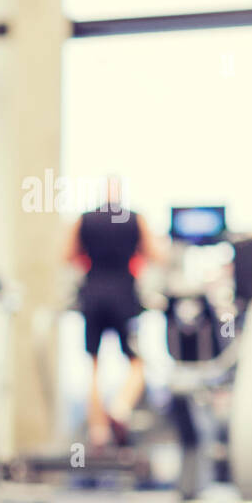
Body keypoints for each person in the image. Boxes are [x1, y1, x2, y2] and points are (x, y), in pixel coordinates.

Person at [63, 176, 164, 447]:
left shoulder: (84, 220)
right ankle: (119, 408)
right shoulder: (135, 219)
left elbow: (67, 254)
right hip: (123, 295)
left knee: (93, 366)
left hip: (92, 294)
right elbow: (156, 254)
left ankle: (98, 433)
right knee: (137, 362)